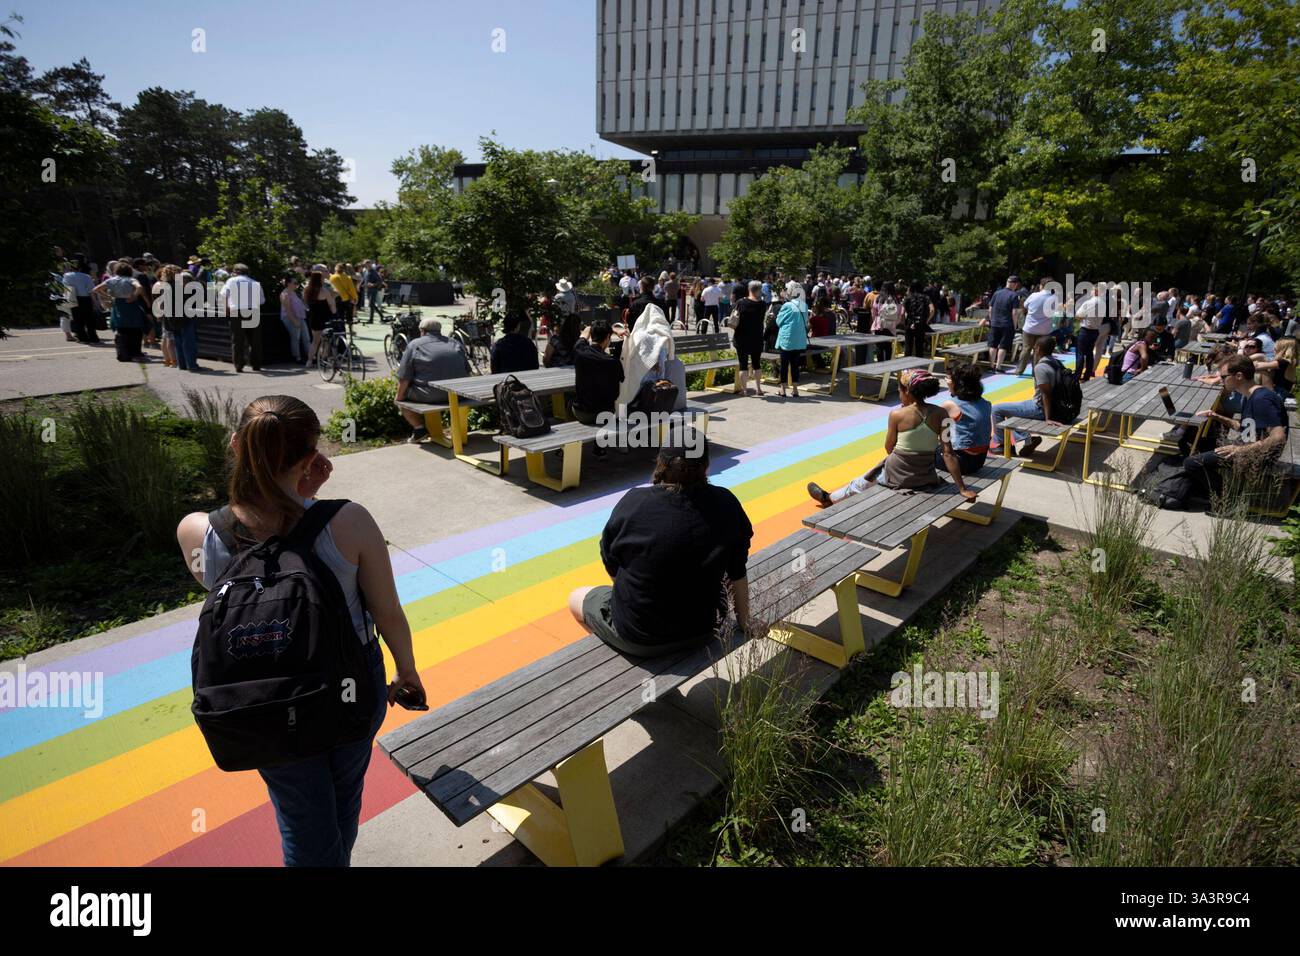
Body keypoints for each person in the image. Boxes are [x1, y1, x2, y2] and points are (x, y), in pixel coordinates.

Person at [175, 395, 425, 866]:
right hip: (350, 685)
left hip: (259, 697)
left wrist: (296, 488)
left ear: (235, 445)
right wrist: (406, 670)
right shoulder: (349, 521)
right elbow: (387, 612)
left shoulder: (198, 532)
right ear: (311, 458)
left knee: (303, 814)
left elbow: (233, 585)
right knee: (341, 804)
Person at [568, 436, 753, 655]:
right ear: (706, 466)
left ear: (661, 464)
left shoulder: (634, 502)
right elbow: (737, 570)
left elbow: (611, 562)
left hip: (640, 638)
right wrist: (744, 622)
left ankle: (617, 658)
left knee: (576, 597)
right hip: (704, 630)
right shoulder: (727, 502)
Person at [807, 369, 978, 504]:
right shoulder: (942, 414)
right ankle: (831, 496)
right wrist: (962, 488)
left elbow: (889, 448)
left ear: (907, 391)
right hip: (925, 474)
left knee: (862, 482)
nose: (899, 394)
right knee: (873, 474)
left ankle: (829, 498)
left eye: (899, 390)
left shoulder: (897, 415)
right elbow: (948, 453)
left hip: (898, 472)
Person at [1157, 354, 1290, 509]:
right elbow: (1244, 427)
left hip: (1260, 454)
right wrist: (1215, 416)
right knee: (1193, 441)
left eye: (1224, 376)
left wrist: (1239, 450)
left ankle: (1224, 499)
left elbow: (1278, 437)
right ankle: (1202, 489)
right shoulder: (1249, 395)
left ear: (1239, 376)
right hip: (1248, 444)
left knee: (1191, 463)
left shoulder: (1262, 399)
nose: (1220, 379)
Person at [395, 318, 471, 442]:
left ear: (422, 331)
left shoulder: (414, 345)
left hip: (431, 396)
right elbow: (467, 370)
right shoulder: (455, 343)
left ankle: (419, 429)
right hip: (458, 394)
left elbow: (404, 377)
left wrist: (398, 399)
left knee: (401, 396)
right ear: (439, 331)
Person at [990, 337, 1065, 456]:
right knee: (1011, 409)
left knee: (996, 409)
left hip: (1040, 408)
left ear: (1038, 349)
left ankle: (1003, 445)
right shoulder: (1057, 362)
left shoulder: (1040, 367)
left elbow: (1046, 394)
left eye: (1035, 347)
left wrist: (1048, 418)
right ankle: (1027, 439)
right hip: (1054, 405)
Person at [939, 362, 994, 475]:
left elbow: (935, 431)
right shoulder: (986, 403)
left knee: (922, 448)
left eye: (950, 379)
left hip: (960, 463)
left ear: (957, 383)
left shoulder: (950, 405)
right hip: (979, 461)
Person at [572, 318, 624, 435]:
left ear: (592, 336)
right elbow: (619, 387)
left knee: (570, 402)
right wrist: (614, 331)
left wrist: (607, 330)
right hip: (606, 413)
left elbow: (586, 331)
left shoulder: (579, 351)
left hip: (583, 414)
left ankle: (573, 437)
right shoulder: (613, 361)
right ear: (607, 338)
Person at [93, 262, 149, 362]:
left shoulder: (111, 280)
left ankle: (123, 353)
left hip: (118, 304)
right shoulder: (131, 279)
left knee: (121, 330)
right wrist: (134, 296)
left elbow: (96, 289)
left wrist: (108, 297)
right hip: (131, 305)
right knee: (136, 330)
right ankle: (136, 352)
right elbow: (139, 287)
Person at [219, 264, 265, 372]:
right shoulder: (255, 283)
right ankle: (256, 364)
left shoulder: (231, 281)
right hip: (252, 311)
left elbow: (224, 295)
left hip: (236, 311)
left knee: (237, 339)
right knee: (255, 340)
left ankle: (239, 365)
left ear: (235, 272)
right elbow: (262, 301)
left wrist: (226, 309)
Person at [1016, 276, 1058, 375]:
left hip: (1030, 327)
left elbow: (1025, 305)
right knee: (1039, 351)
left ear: (1041, 286)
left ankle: (1019, 370)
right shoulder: (1054, 298)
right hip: (1044, 329)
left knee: (1026, 349)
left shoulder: (1034, 295)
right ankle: (1035, 372)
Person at [982, 275, 1024, 371]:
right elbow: (1014, 313)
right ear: (1015, 284)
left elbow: (990, 309)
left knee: (993, 345)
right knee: (1003, 346)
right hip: (1007, 324)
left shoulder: (997, 293)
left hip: (995, 323)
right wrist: (1014, 325)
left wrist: (992, 321)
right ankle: (998, 366)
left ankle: (991, 366)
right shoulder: (1014, 296)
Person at [734, 280, 767, 397]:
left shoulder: (741, 302)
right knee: (756, 364)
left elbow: (734, 316)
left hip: (741, 337)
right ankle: (758, 389)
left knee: (743, 365)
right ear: (759, 290)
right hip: (757, 338)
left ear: (749, 289)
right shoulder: (763, 305)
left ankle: (745, 390)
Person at [774, 286, 809, 398]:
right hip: (799, 340)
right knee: (795, 364)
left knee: (784, 364)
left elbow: (779, 321)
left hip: (787, 339)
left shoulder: (787, 305)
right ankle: (795, 390)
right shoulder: (804, 306)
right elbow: (806, 321)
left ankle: (783, 390)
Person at [63, 256, 100, 343]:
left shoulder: (67, 276)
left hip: (73, 298)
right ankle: (93, 337)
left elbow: (66, 287)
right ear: (80, 268)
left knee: (78, 320)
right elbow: (91, 290)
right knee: (89, 319)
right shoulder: (87, 276)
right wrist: (94, 301)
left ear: (71, 268)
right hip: (86, 299)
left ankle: (82, 337)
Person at [304, 270, 335, 368]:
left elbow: (305, 303)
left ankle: (309, 361)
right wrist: (334, 313)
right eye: (322, 278)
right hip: (324, 317)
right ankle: (323, 360)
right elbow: (331, 304)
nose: (324, 279)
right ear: (319, 279)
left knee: (315, 341)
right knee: (326, 340)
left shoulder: (307, 290)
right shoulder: (324, 291)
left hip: (313, 317)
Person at [152, 264, 181, 367]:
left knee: (165, 338)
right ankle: (174, 361)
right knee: (170, 339)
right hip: (170, 313)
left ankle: (167, 360)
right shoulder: (170, 286)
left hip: (163, 312)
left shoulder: (159, 284)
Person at [1074, 285, 1105, 381]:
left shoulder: (1088, 302)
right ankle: (1087, 375)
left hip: (1086, 330)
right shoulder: (1103, 303)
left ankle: (1077, 375)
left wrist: (1083, 318)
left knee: (1080, 354)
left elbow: (1078, 315)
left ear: (1095, 291)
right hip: (1095, 330)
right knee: (1089, 354)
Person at [280, 274, 312, 366]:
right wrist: (294, 321)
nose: (296, 284)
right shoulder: (284, 294)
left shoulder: (294, 293)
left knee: (306, 338)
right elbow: (288, 310)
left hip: (300, 317)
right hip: (290, 318)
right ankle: (297, 357)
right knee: (296, 338)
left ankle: (310, 356)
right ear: (288, 283)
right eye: (295, 283)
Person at [901, 280, 935, 359]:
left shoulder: (907, 297)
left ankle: (906, 368)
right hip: (921, 324)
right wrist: (927, 320)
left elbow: (902, 313)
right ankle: (918, 368)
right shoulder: (926, 297)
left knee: (908, 348)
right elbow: (932, 310)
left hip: (909, 323)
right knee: (919, 348)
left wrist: (903, 323)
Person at [330, 263, 358, 327]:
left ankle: (340, 330)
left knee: (340, 316)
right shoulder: (347, 278)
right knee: (349, 316)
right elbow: (351, 289)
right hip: (346, 299)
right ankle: (350, 330)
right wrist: (355, 297)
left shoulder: (332, 277)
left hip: (336, 299)